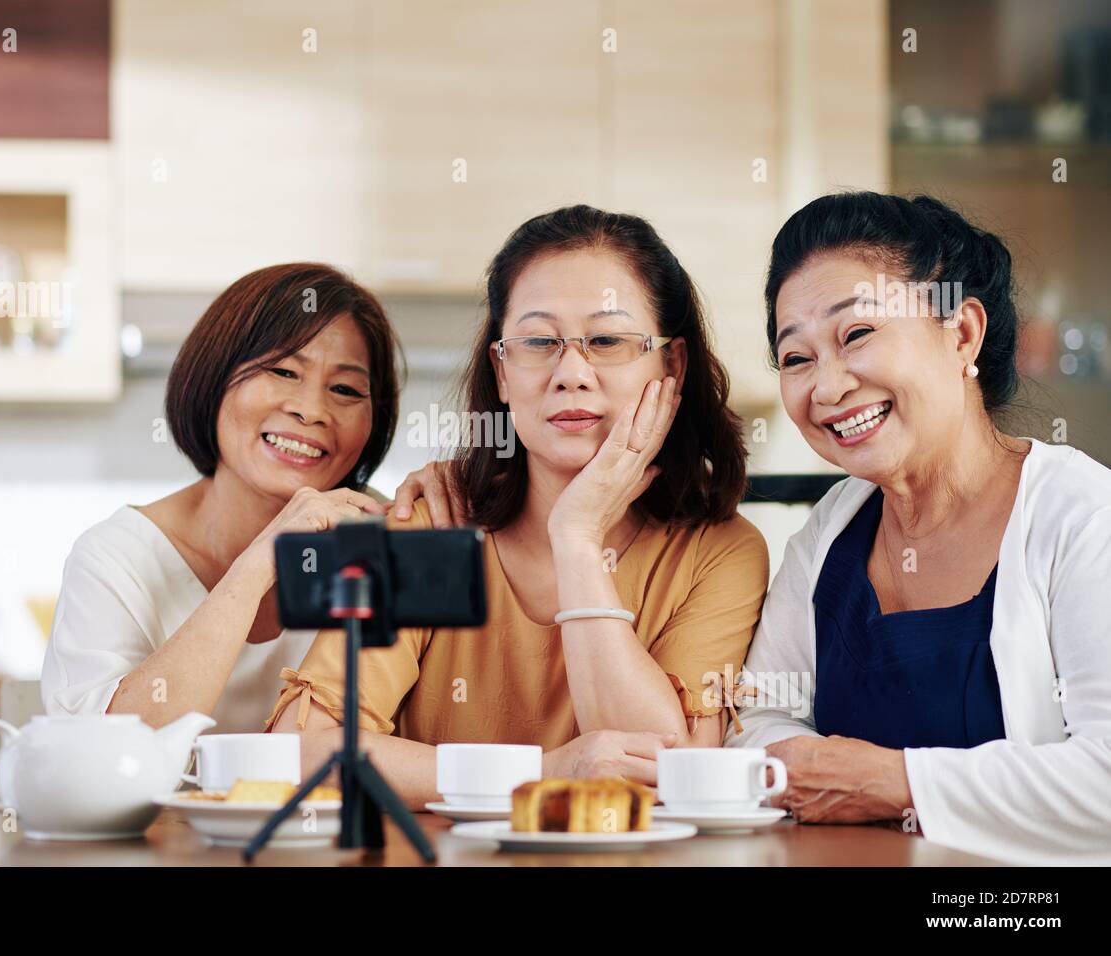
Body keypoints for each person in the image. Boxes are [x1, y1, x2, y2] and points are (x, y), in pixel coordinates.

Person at [267, 205, 768, 808]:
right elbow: (304, 752)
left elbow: (671, 775)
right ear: (502, 372)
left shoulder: (721, 552)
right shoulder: (431, 527)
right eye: (538, 342)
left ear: (672, 364)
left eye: (607, 341)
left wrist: (577, 536)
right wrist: (541, 771)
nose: (572, 373)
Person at [726, 192, 1111, 865]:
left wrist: (892, 782)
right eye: (796, 358)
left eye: (857, 335)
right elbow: (759, 719)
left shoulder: (1081, 516)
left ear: (961, 333)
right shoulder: (830, 533)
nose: (828, 386)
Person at [41, 264, 400, 732]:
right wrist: (259, 564)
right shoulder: (116, 557)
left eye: (346, 389)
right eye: (283, 370)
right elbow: (98, 754)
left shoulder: (385, 544)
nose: (312, 410)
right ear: (213, 378)